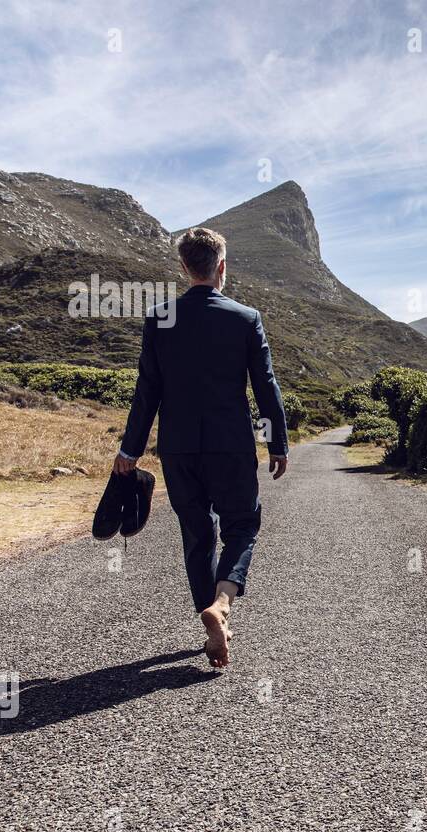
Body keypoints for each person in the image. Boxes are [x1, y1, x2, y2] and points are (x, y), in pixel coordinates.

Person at [113, 227, 289, 667]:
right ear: (222, 268)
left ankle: (208, 618)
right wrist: (277, 442)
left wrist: (130, 450)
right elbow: (265, 387)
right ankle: (223, 605)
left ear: (184, 268)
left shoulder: (159, 318)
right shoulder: (246, 318)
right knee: (242, 526)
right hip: (230, 445)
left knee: (196, 533)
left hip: (179, 448)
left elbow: (147, 391)